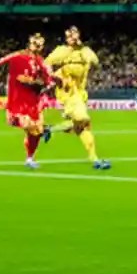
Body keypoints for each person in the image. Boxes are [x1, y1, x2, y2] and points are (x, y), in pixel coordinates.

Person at [0, 33, 56, 169]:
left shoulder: (41, 61)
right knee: (30, 126)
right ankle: (43, 131)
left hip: (33, 102)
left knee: (35, 133)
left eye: (40, 44)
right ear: (30, 43)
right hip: (17, 102)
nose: (37, 46)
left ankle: (30, 158)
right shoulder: (18, 57)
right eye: (35, 43)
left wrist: (47, 84)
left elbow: (49, 80)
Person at [44, 26, 111, 171]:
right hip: (68, 93)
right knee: (83, 120)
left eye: (74, 34)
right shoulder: (61, 51)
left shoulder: (85, 51)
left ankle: (95, 159)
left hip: (80, 93)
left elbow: (95, 61)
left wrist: (82, 52)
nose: (72, 37)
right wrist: (55, 78)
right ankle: (52, 129)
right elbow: (46, 64)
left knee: (83, 127)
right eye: (69, 35)